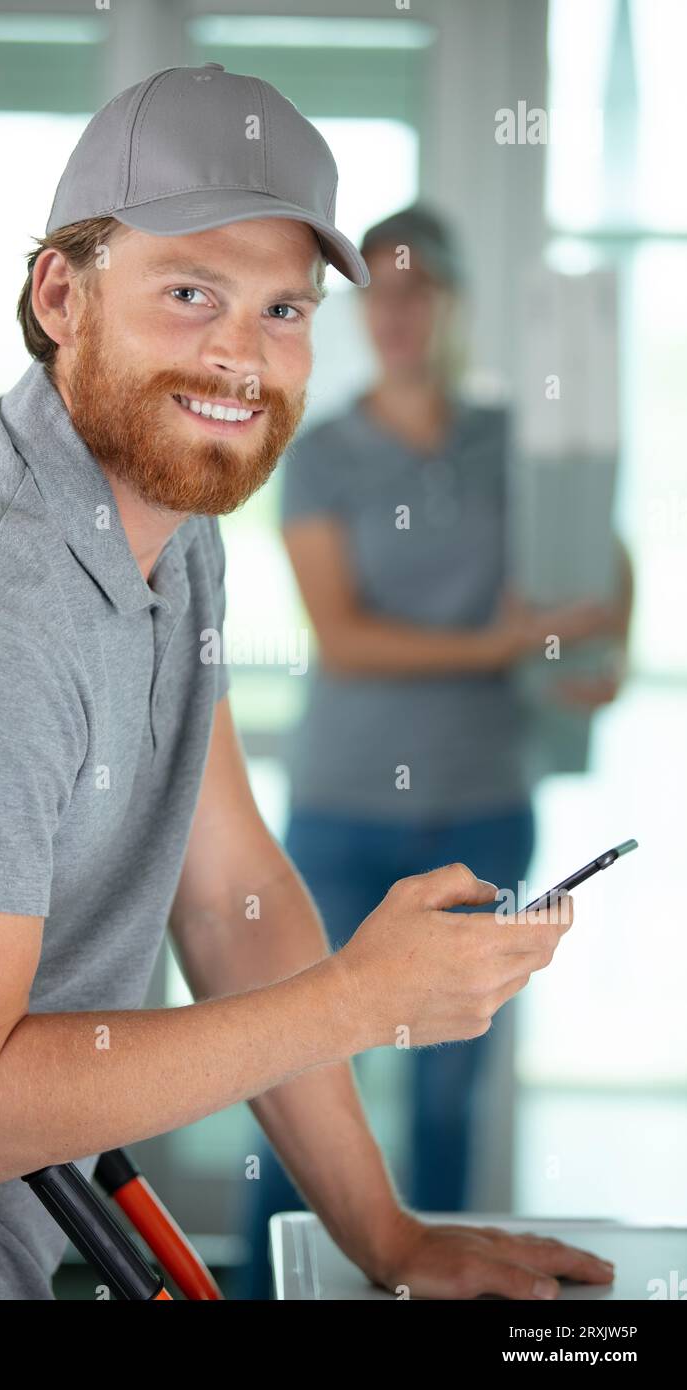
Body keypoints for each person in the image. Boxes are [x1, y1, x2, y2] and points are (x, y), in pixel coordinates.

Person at [0, 70, 616, 1302]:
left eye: (282, 309)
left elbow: (232, 889)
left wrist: (386, 1237)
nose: (240, 356)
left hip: (5, 1218)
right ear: (59, 296)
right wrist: (355, 1000)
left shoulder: (167, 515)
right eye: (190, 293)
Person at [240, 205, 632, 1298]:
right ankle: (271, 1284)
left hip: (479, 802)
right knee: (306, 1073)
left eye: (421, 292)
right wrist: (499, 642)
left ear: (453, 304)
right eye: (382, 293)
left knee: (453, 1087)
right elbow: (345, 636)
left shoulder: (508, 444)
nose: (400, 314)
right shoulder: (319, 454)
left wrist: (600, 656)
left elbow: (606, 555)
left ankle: (448, 1287)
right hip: (343, 803)